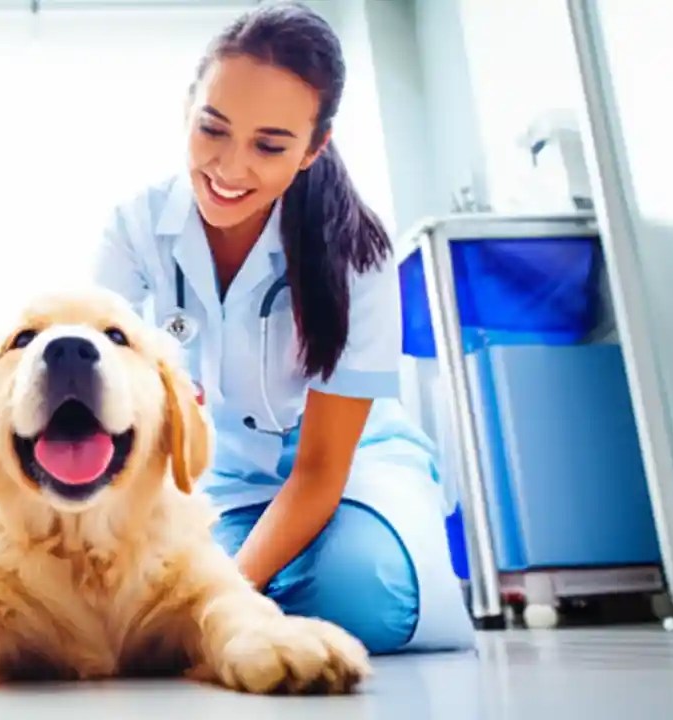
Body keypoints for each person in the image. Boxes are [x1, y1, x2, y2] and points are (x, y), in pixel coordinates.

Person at [92, 1, 476, 654]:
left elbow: (321, 471)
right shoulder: (137, 226)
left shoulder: (358, 253)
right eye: (212, 129)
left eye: (269, 145)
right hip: (225, 483)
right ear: (189, 107)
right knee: (141, 605)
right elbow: (107, 377)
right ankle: (265, 591)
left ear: (312, 148)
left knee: (356, 598)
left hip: (352, 473)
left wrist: (222, 598)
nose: (230, 167)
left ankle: (289, 583)